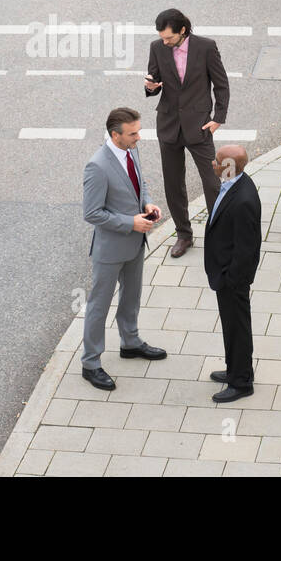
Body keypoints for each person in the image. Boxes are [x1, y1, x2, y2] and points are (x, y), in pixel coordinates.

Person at [80, 107, 167, 390]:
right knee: (99, 305)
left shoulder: (131, 151)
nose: (138, 137)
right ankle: (90, 363)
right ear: (115, 135)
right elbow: (92, 213)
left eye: (138, 131)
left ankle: (130, 343)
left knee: (132, 296)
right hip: (110, 248)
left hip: (135, 242)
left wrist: (147, 204)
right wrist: (130, 222)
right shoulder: (97, 166)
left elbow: (139, 184)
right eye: (132, 133)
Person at [143, 8, 230, 258]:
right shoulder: (157, 48)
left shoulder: (206, 47)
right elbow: (154, 81)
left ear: (182, 30)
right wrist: (150, 86)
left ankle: (218, 234)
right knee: (173, 184)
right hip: (169, 125)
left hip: (199, 124)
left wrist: (218, 119)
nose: (165, 42)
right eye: (162, 37)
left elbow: (221, 85)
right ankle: (184, 235)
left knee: (212, 182)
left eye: (169, 37)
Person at [203, 144, 261, 403]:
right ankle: (234, 369)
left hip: (233, 280)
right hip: (226, 275)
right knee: (231, 326)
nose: (212, 163)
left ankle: (241, 382)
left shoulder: (244, 200)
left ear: (228, 167)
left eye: (216, 161)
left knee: (237, 327)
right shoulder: (233, 185)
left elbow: (247, 249)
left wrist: (230, 278)